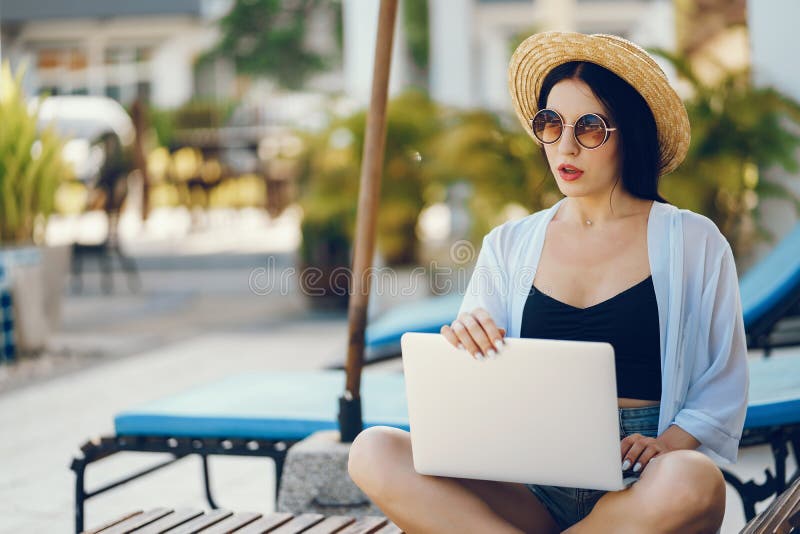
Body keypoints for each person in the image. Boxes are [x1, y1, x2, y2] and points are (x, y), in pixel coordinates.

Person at [347, 32, 749, 533]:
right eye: (551, 124)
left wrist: (671, 443)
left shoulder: (692, 240)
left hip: (643, 478)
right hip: (530, 478)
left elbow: (723, 380)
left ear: (632, 135)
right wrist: (466, 339)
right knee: (373, 451)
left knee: (695, 481)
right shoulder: (509, 243)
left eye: (590, 128)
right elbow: (476, 385)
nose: (565, 145)